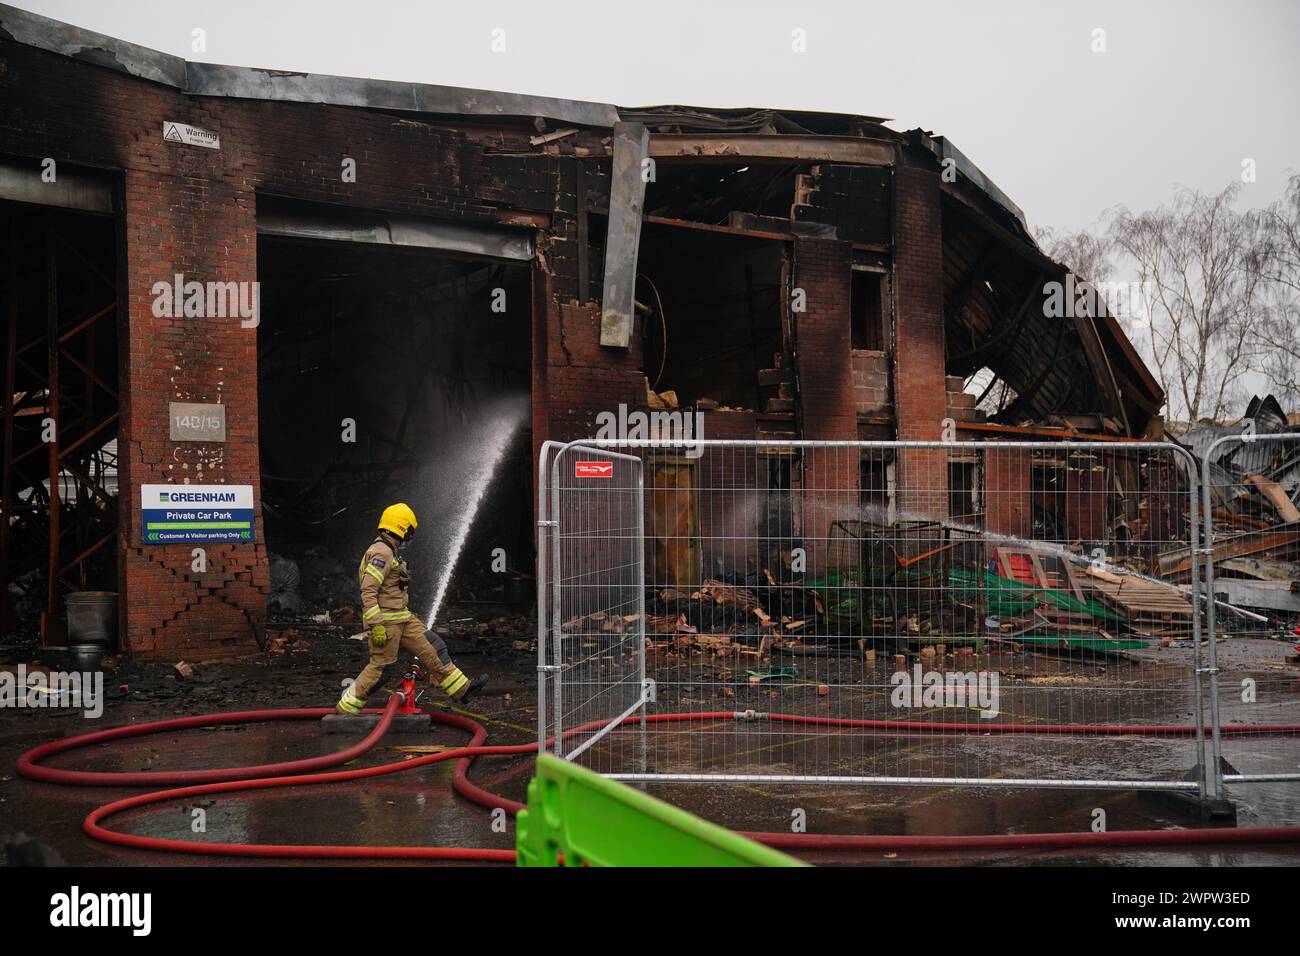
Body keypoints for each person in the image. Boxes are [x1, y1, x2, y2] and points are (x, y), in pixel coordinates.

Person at [336, 503, 487, 714]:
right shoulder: (382, 553)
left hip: (402, 618)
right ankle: (346, 709)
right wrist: (375, 625)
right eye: (409, 530)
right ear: (402, 527)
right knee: (381, 669)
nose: (410, 535)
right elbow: (368, 590)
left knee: (434, 647)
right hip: (386, 622)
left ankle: (463, 690)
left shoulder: (390, 551)